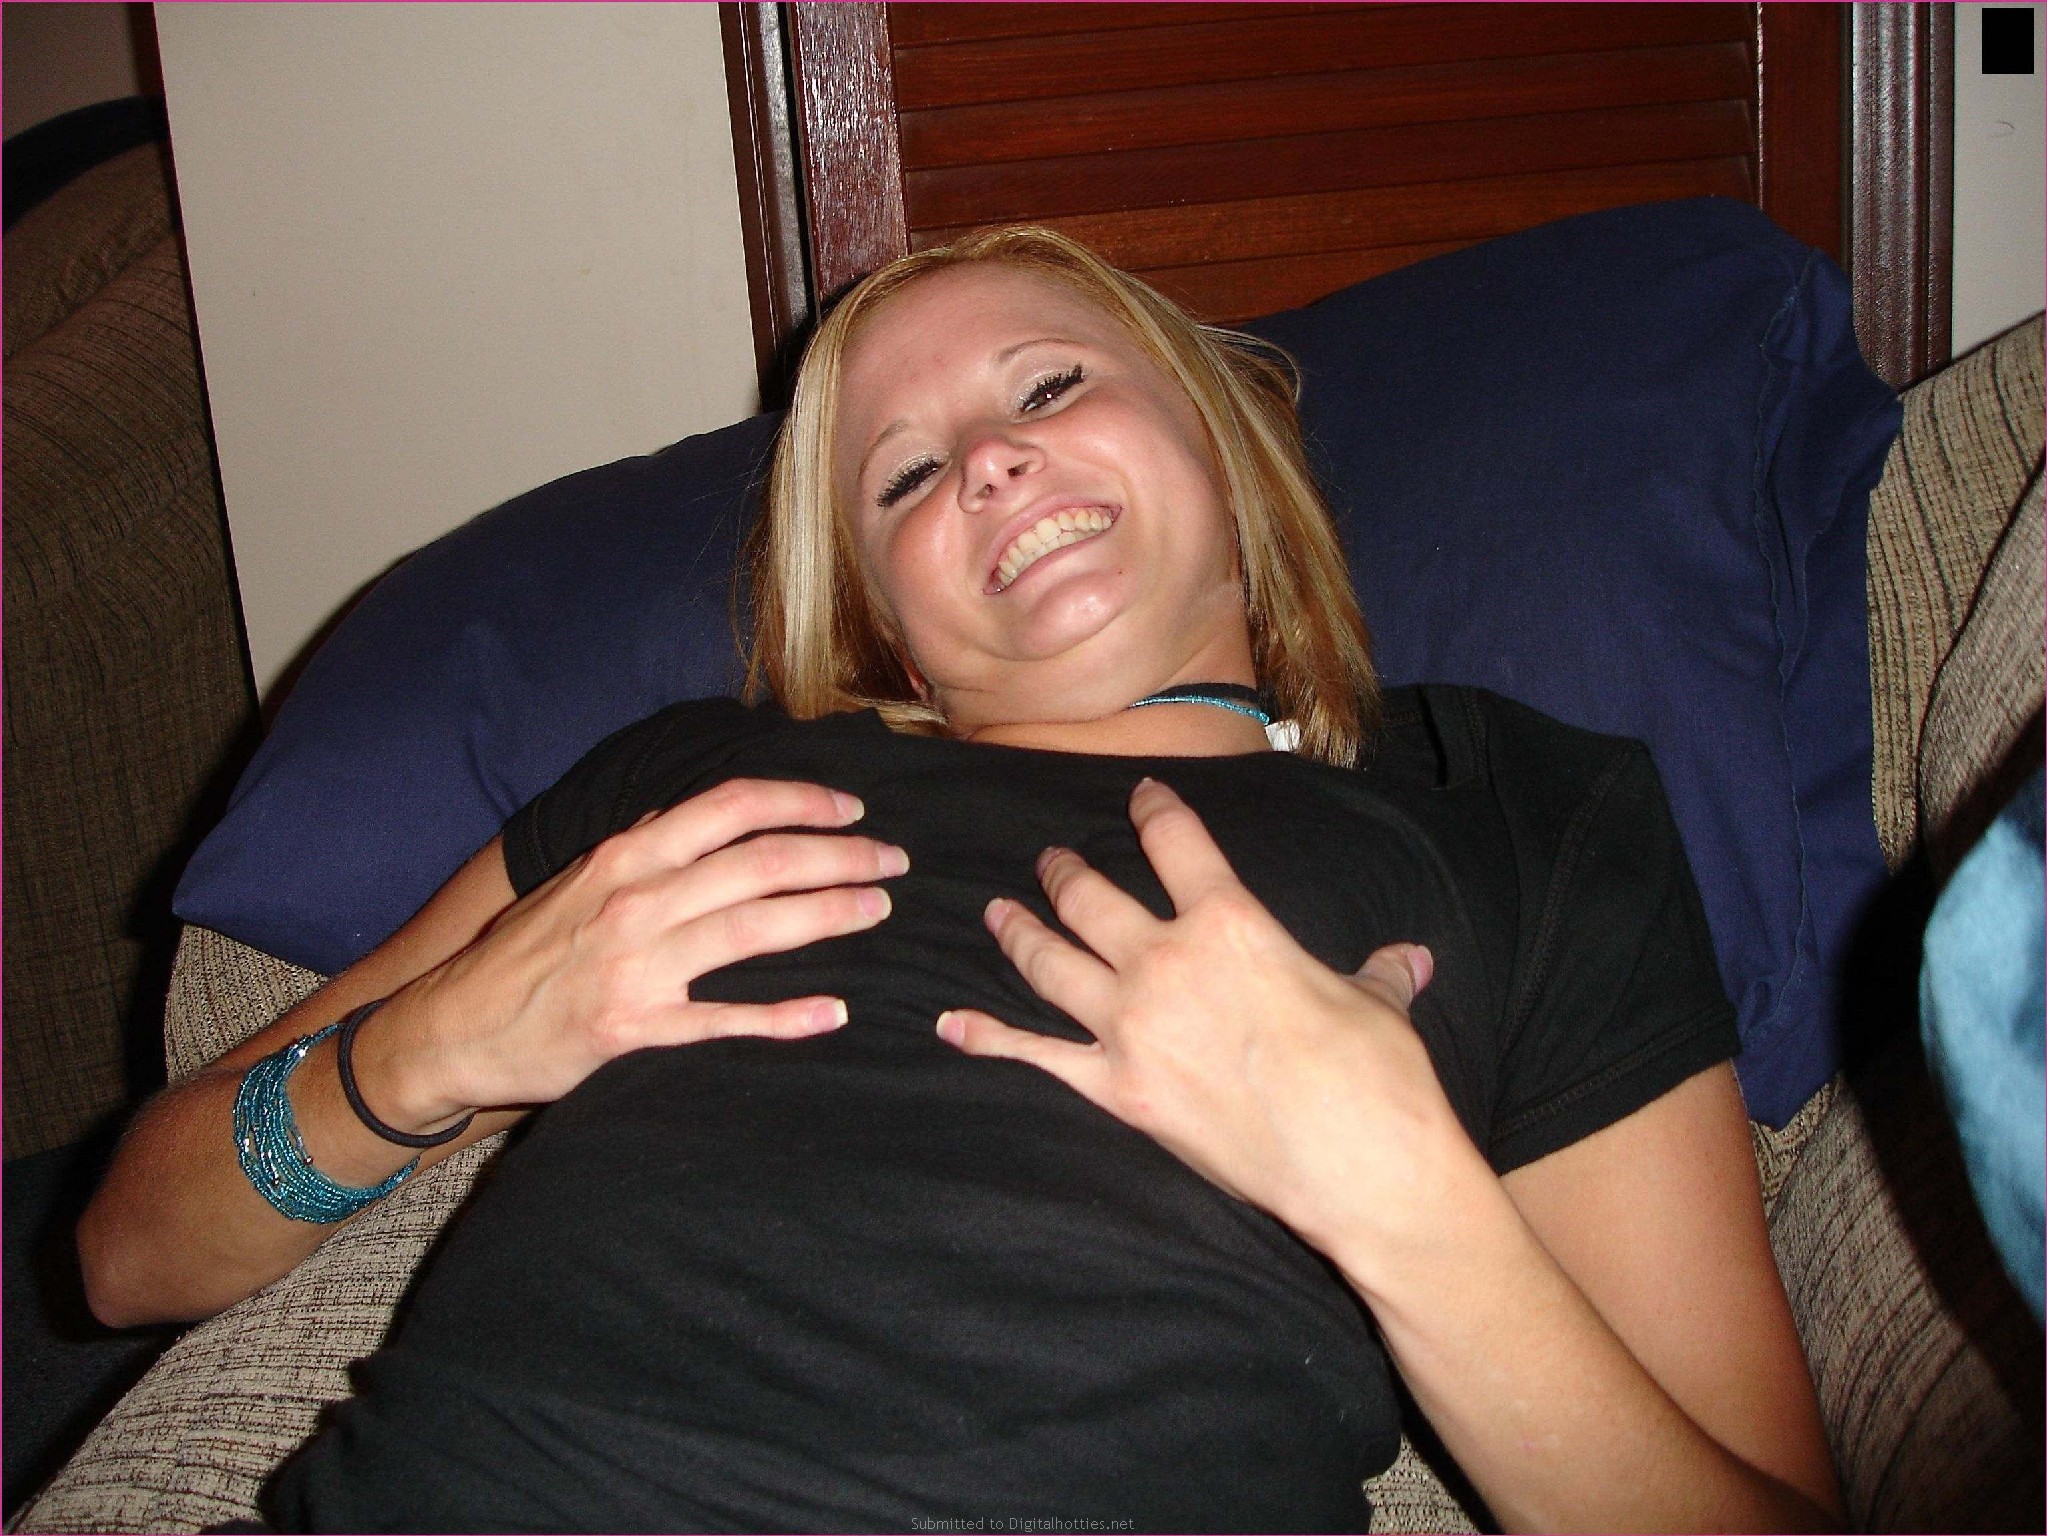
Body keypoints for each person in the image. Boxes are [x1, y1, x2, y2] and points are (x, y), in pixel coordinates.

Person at [79, 227, 1843, 1531]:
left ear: (1225, 447)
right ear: (887, 629)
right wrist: (432, 1047)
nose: (990, 459)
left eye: (1051, 387)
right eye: (907, 475)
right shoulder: (698, 777)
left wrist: (1398, 1196)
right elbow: (125, 1253)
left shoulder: (1505, 809)